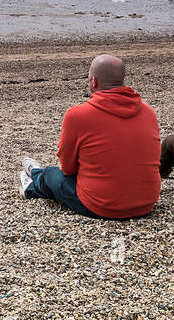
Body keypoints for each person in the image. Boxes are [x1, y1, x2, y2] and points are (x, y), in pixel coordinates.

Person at [20, 54, 161, 219]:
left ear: (93, 81)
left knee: (52, 174)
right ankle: (36, 175)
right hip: (146, 202)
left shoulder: (77, 115)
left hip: (101, 205)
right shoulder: (148, 112)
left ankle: (33, 183)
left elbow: (67, 168)